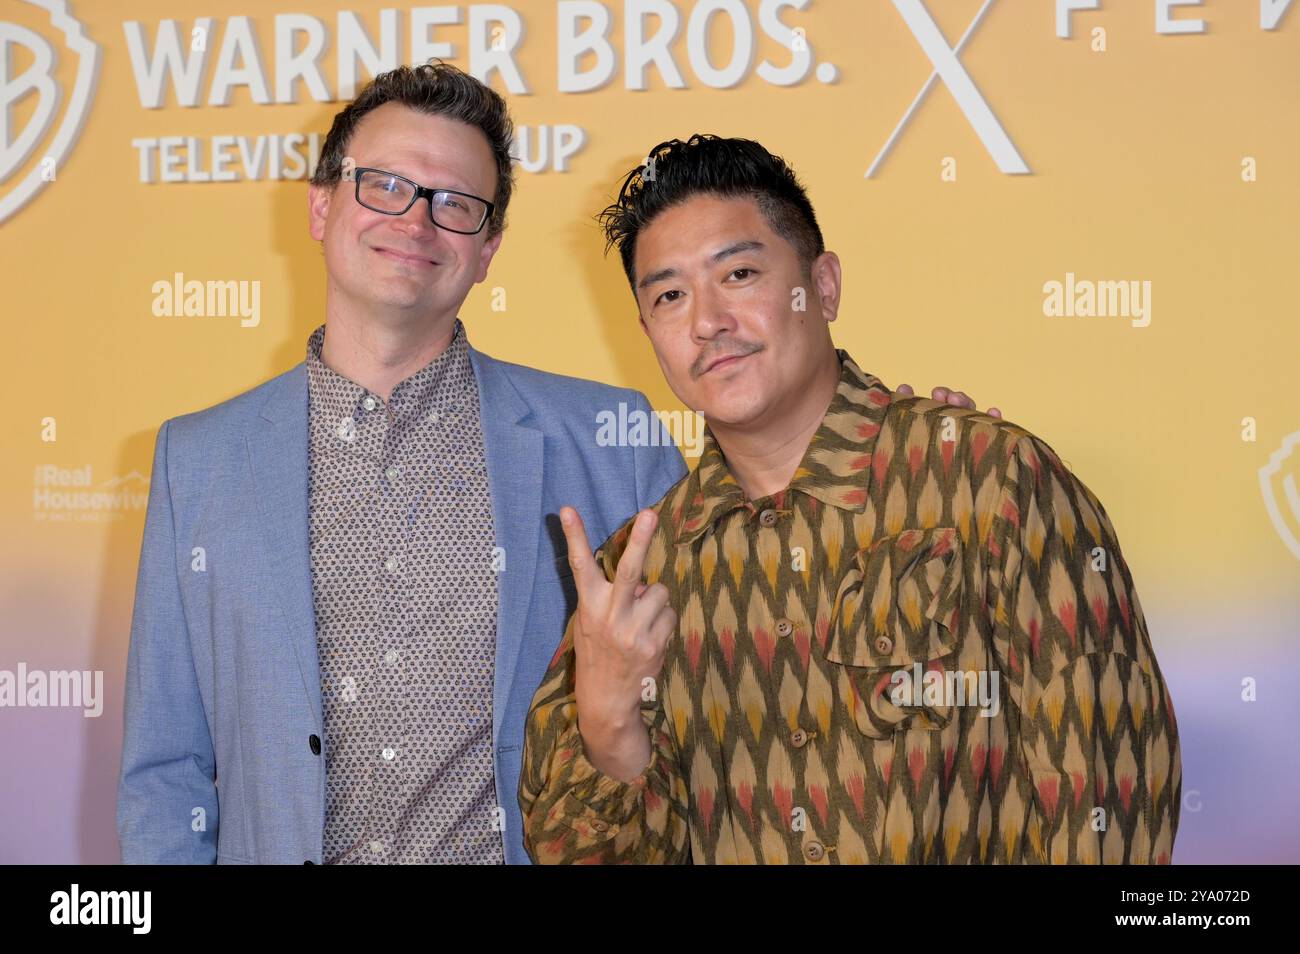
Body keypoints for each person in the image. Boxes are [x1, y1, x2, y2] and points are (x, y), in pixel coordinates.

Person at [114, 62, 996, 865]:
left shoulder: (607, 435)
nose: (416, 220)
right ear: (321, 207)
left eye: (455, 203)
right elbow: (166, 771)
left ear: (487, 247)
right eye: (384, 186)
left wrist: (900, 475)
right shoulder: (199, 461)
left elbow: (760, 614)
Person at [519, 134, 1181, 864]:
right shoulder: (635, 582)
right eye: (670, 295)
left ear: (823, 285)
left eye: (738, 274)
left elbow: (1110, 791)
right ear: (649, 332)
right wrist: (609, 722)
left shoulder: (988, 482)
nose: (706, 321)